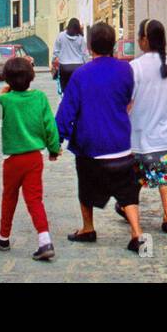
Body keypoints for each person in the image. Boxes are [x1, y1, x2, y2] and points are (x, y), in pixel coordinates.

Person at [54, 22, 146, 253]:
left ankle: (88, 227)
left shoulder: (80, 75)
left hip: (91, 145)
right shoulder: (126, 70)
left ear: (90, 45)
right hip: (120, 143)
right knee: (127, 191)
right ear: (113, 44)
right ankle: (137, 233)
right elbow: (129, 100)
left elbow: (68, 110)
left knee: (85, 185)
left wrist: (56, 140)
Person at [0, 57, 61, 261]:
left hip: (12, 160)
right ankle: (45, 240)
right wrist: (54, 149)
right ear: (31, 77)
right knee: (35, 199)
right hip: (35, 158)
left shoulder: (5, 100)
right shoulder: (40, 98)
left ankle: (3, 236)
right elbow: (50, 126)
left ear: (7, 80)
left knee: (9, 197)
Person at [130, 19, 167, 234]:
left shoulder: (135, 67)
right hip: (166, 134)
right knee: (166, 177)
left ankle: (132, 216)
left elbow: (129, 100)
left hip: (140, 134)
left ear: (144, 40)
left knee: (133, 179)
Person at [52, 18, 89, 92]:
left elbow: (56, 51)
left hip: (64, 66)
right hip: (78, 67)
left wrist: (54, 61)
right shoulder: (81, 39)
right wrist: (86, 66)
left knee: (65, 90)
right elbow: (85, 54)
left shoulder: (61, 36)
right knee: (77, 89)